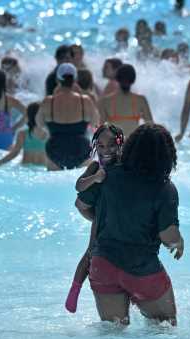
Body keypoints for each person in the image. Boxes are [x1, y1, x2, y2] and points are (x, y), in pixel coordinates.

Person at [75, 123, 183, 326]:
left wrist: (105, 220)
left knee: (112, 331)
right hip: (142, 270)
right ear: (167, 155)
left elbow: (81, 204)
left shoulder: (106, 175)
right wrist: (178, 242)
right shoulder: (165, 188)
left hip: (103, 266)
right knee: (164, 326)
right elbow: (168, 236)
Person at [65, 123, 125, 313]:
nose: (106, 150)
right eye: (100, 146)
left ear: (120, 144)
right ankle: (75, 288)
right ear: (95, 147)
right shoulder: (95, 166)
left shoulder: (125, 165)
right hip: (100, 215)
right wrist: (95, 178)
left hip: (118, 216)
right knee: (91, 251)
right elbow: (78, 185)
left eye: (111, 145)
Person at [38, 63, 98, 171]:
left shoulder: (48, 101)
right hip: (81, 148)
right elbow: (96, 123)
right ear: (75, 80)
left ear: (57, 80)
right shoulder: (85, 101)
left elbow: (40, 123)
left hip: (55, 148)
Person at [98, 64, 153, 137]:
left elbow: (101, 131)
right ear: (133, 80)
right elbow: (151, 127)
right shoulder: (141, 100)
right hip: (133, 145)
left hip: (115, 146)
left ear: (117, 79)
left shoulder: (105, 101)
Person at [0, 102, 48, 166]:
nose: (45, 115)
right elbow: (15, 153)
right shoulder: (23, 134)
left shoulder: (49, 135)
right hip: (27, 169)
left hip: (39, 170)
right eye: (42, 114)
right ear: (33, 115)